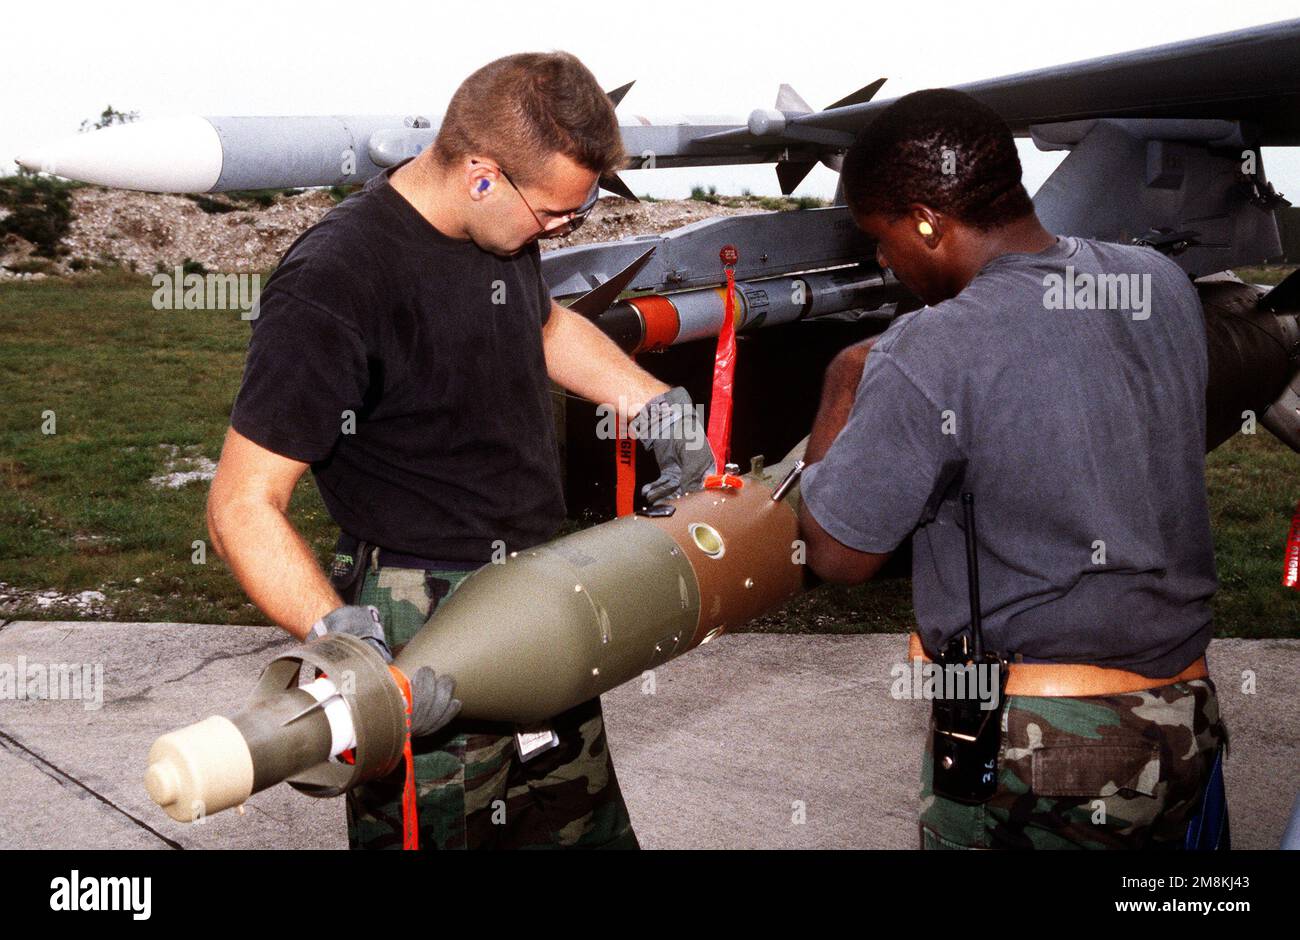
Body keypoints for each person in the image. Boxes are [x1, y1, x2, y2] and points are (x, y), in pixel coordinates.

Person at [206, 51, 712, 849]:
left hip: (541, 591)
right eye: (555, 215)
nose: (560, 229)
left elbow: (543, 327)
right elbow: (242, 505)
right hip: (423, 620)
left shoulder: (503, 233)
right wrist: (348, 648)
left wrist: (655, 408)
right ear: (482, 174)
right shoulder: (336, 281)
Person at [797, 89, 1227, 850]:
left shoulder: (929, 346)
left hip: (1045, 755)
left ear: (927, 220)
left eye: (882, 237)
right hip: (1182, 723)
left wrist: (842, 379)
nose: (884, 261)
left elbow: (837, 553)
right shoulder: (1156, 283)